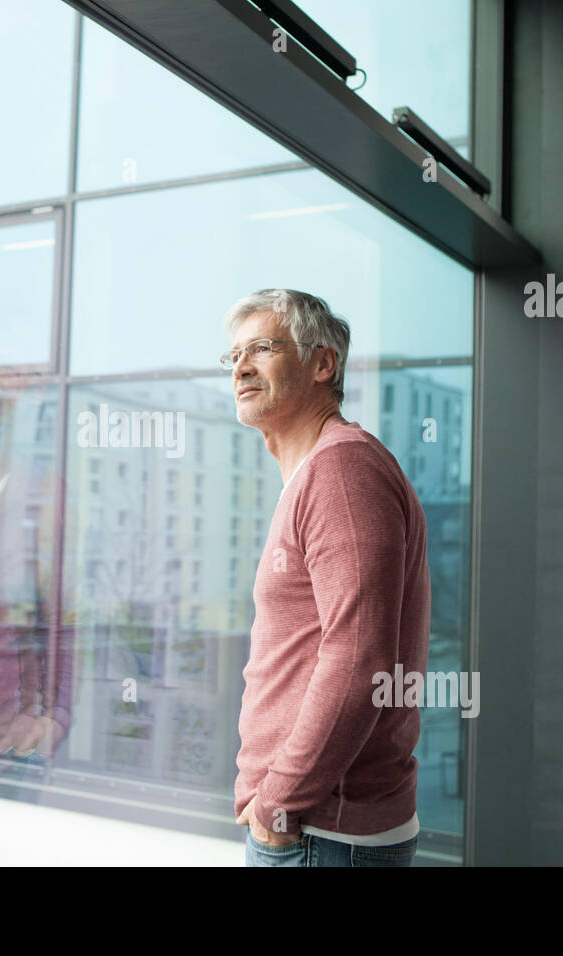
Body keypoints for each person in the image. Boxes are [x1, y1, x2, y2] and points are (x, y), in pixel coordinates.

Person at [224, 289, 431, 868]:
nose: (240, 366)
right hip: (313, 829)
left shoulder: (342, 471)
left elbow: (362, 659)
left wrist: (278, 806)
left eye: (261, 348)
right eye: (233, 355)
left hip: (320, 833)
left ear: (323, 364)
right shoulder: (323, 471)